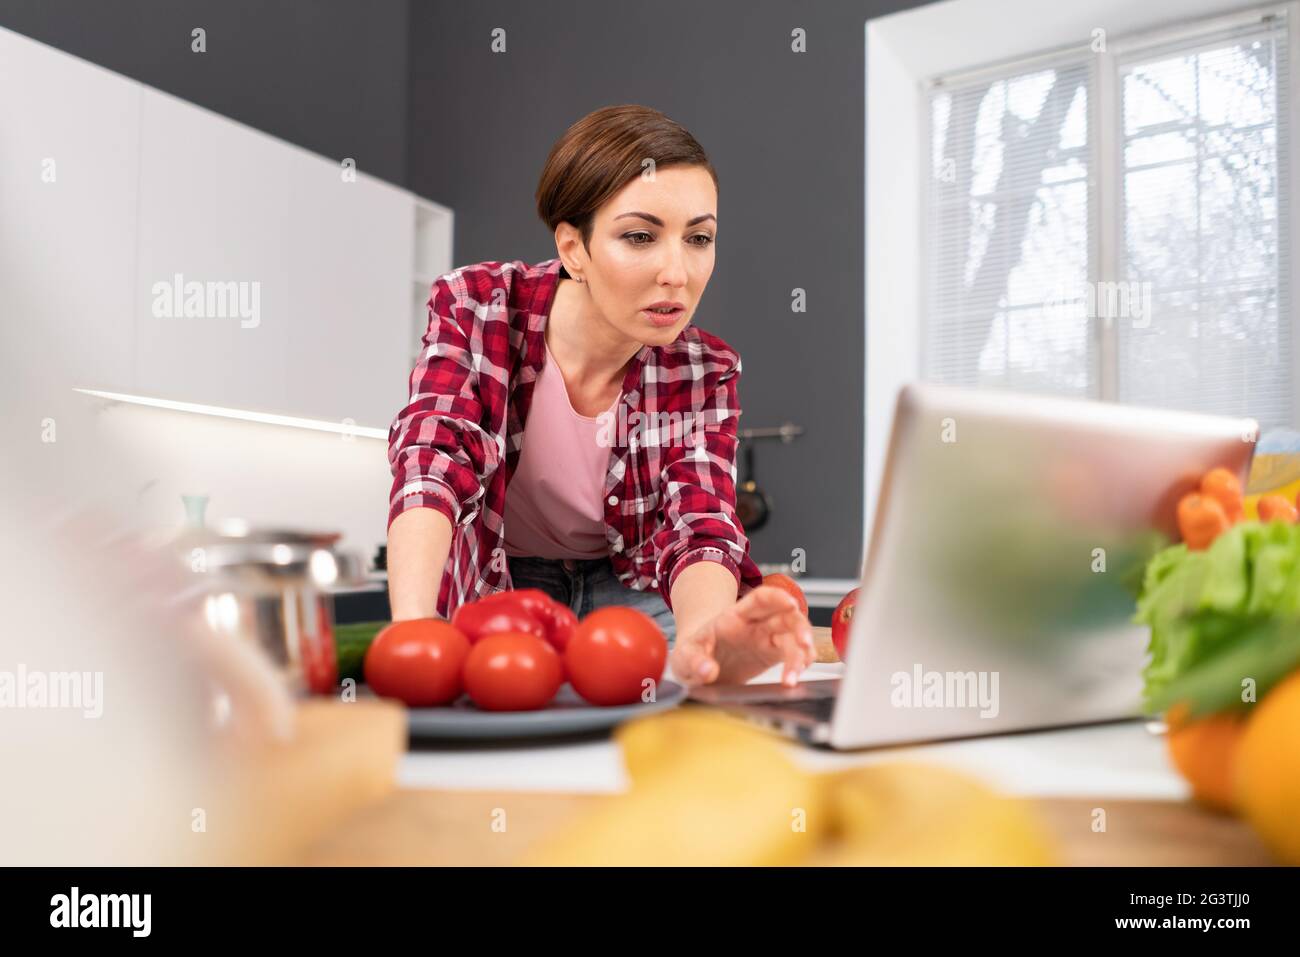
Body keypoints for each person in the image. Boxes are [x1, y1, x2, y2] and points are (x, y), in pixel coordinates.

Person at [386, 104, 812, 689]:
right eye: (640, 236)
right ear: (573, 249)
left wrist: (703, 640)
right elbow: (432, 456)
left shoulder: (703, 368)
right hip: (502, 579)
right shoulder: (479, 306)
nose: (677, 273)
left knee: (666, 722)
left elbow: (700, 520)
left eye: (699, 238)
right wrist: (412, 629)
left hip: (629, 590)